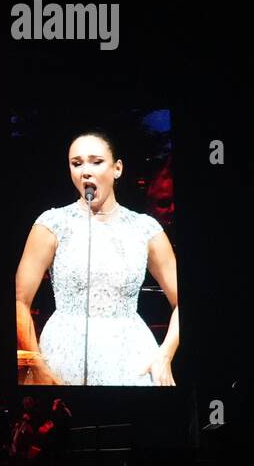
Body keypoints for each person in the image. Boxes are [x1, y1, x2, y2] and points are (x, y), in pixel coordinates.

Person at [15, 131, 179, 386]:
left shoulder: (146, 229)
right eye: (76, 163)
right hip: (61, 357)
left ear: (117, 169)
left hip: (131, 359)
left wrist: (164, 355)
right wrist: (37, 366)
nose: (85, 171)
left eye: (96, 161)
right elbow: (19, 300)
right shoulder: (51, 224)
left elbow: (183, 301)